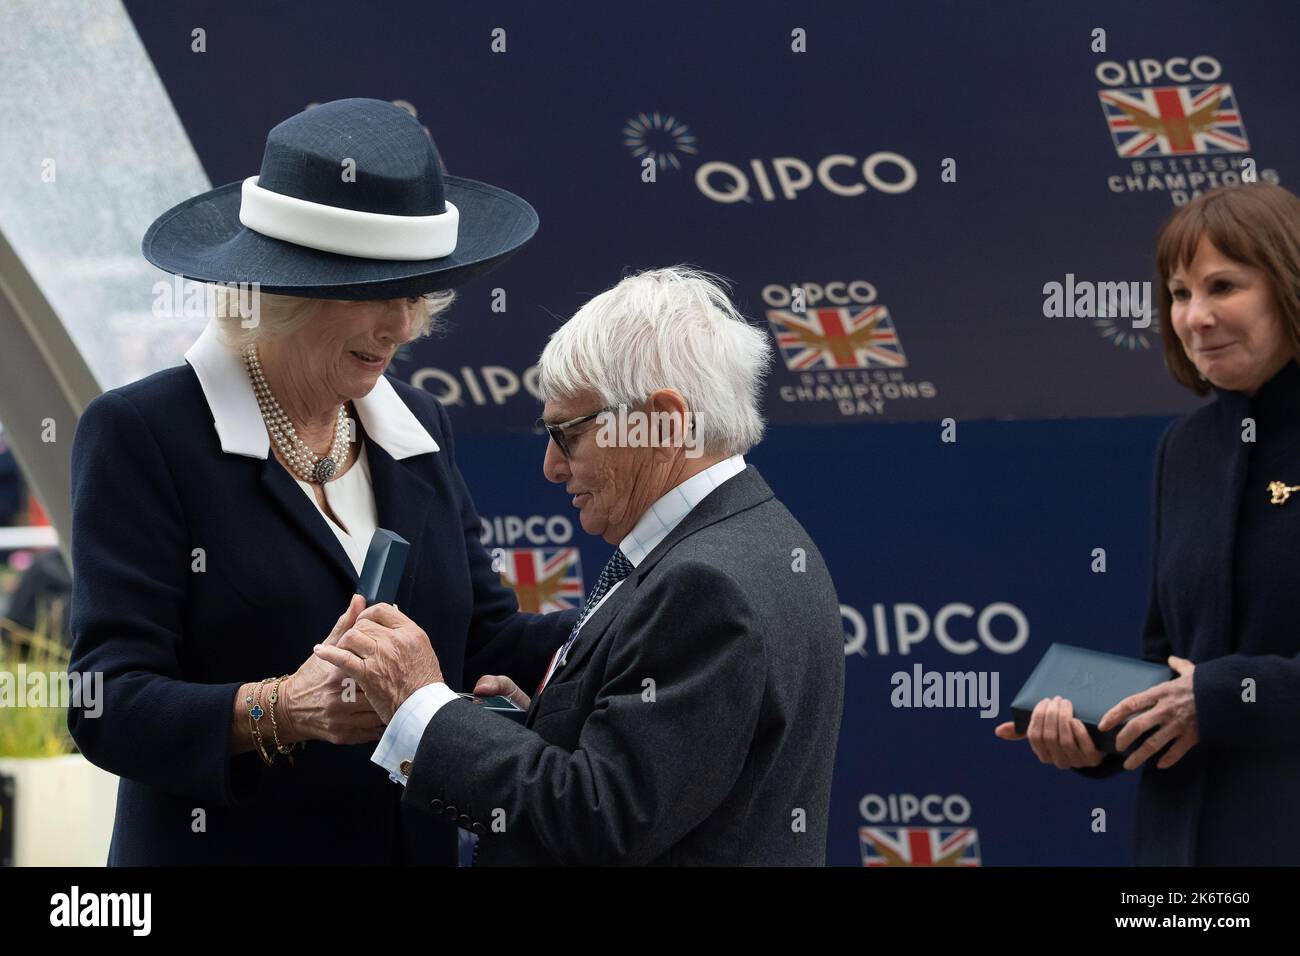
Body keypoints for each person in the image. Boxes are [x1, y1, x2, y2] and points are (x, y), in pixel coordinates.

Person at [67, 98, 575, 865]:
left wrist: (635, 622)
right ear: (282, 289)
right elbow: (104, 701)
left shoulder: (418, 425)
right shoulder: (146, 434)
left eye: (418, 294)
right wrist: (280, 709)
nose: (403, 326)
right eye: (379, 295)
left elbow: (480, 637)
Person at [315, 266, 846, 865]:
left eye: (567, 434)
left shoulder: (707, 585)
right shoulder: (746, 539)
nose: (551, 467)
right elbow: (644, 785)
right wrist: (536, 727)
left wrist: (421, 705)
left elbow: (598, 823)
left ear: (664, 422)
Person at [996, 182, 1300, 865]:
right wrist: (1097, 736)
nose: (1196, 317)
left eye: (1224, 286)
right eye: (1179, 293)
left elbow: (1203, 691)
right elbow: (1168, 659)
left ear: (1289, 285)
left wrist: (1218, 698)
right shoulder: (1184, 449)